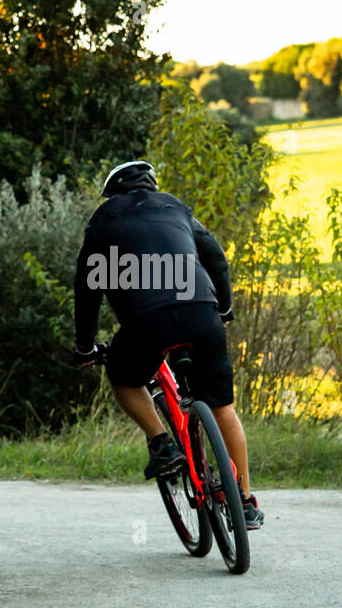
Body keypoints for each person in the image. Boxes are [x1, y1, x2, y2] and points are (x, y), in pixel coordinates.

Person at [72, 159, 263, 530]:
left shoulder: (103, 220)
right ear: (151, 184)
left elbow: (87, 288)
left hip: (146, 323)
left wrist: (85, 347)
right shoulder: (175, 206)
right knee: (223, 407)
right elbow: (217, 259)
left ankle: (163, 443)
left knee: (124, 379)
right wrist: (223, 309)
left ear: (112, 193)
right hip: (201, 313)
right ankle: (245, 501)